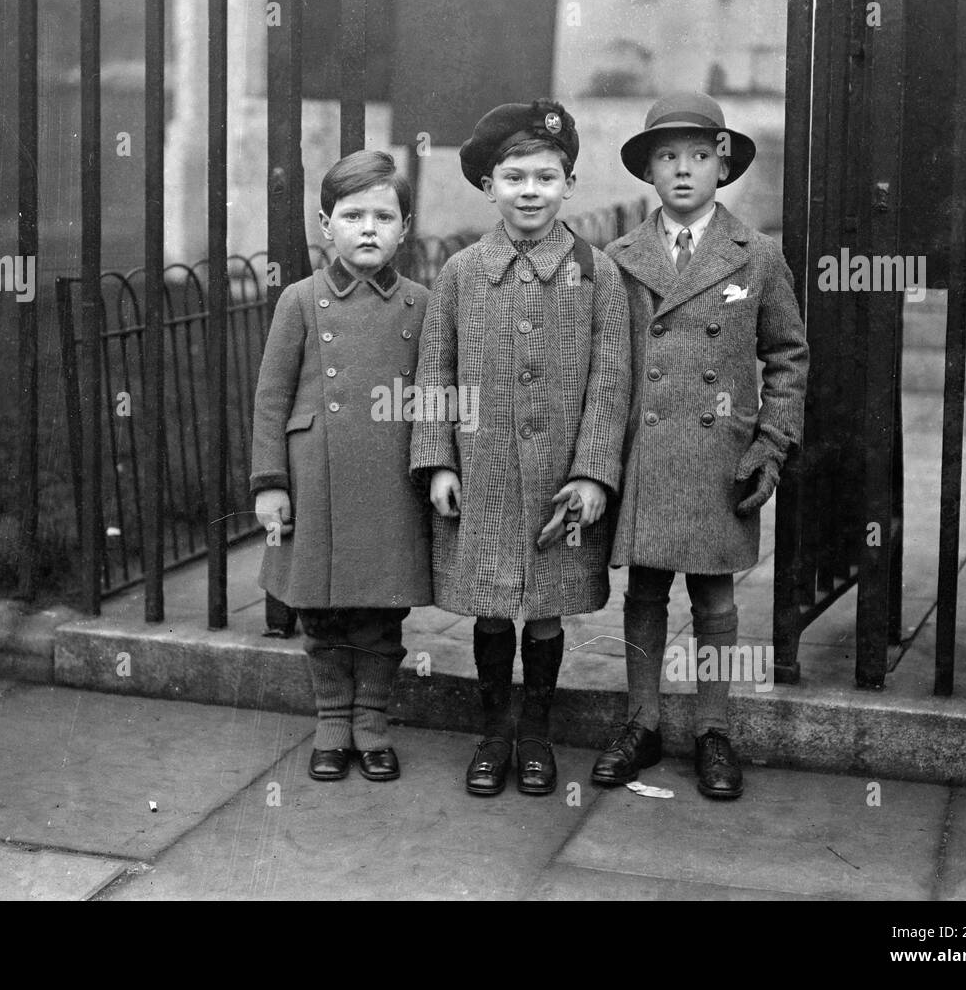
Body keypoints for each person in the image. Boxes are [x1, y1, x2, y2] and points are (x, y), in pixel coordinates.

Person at [411, 99, 631, 797]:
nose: (529, 191)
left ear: (569, 183)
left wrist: (594, 473)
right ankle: (493, 732)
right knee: (489, 604)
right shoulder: (461, 273)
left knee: (544, 608)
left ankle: (535, 734)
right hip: (482, 471)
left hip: (561, 475)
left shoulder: (598, 275)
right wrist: (438, 459)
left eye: (545, 177)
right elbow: (434, 372)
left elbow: (611, 381)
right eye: (514, 178)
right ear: (489, 187)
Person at [594, 92, 808, 799]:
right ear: (649, 173)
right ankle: (643, 723)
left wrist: (770, 444)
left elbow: (788, 356)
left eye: (697, 156)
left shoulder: (757, 254)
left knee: (715, 600)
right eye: (666, 157)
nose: (683, 171)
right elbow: (607, 362)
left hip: (721, 456)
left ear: (723, 166)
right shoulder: (620, 258)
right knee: (645, 589)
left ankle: (715, 729)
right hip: (648, 453)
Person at [250, 150, 431, 783]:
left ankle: (372, 722)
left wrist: (437, 467)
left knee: (381, 610)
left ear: (404, 227)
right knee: (321, 610)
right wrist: (270, 483)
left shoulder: (420, 305)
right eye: (352, 215)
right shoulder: (301, 301)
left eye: (384, 215)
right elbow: (271, 396)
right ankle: (332, 719)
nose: (368, 229)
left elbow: (437, 395)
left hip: (389, 479)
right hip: (315, 476)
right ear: (326, 224)